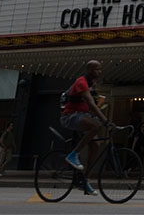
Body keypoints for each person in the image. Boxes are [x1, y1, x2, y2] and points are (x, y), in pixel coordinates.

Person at [61, 60, 110, 195]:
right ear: (89, 70)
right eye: (97, 69)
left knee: (96, 146)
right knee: (96, 125)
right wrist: (105, 120)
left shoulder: (92, 84)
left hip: (83, 116)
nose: (99, 72)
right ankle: (73, 154)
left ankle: (84, 180)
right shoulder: (81, 82)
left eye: (100, 69)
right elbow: (90, 103)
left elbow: (93, 106)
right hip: (71, 116)